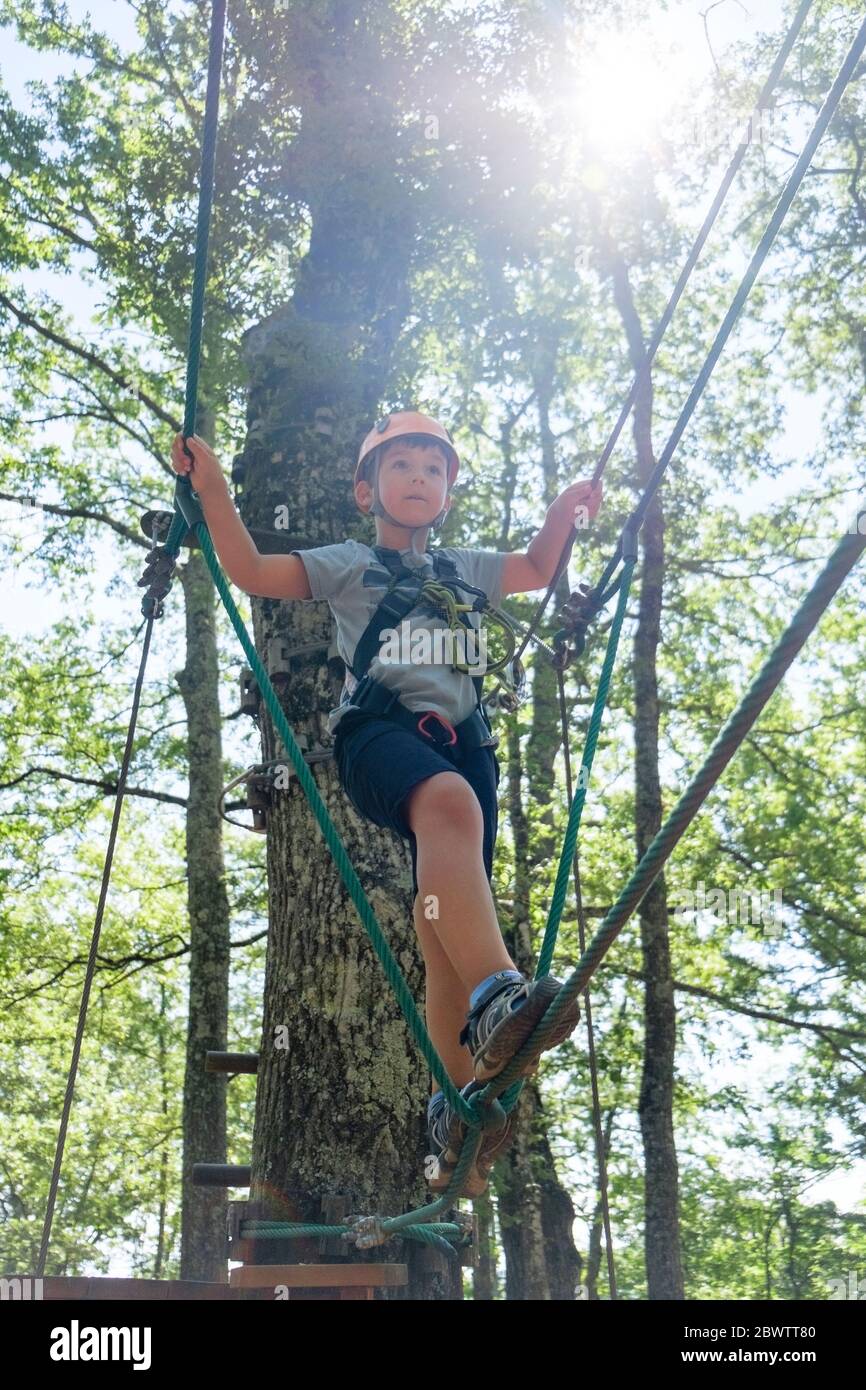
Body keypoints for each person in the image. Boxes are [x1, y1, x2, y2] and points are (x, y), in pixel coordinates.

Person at [170, 411, 602, 1196]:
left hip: (465, 747)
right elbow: (251, 570)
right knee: (445, 807)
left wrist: (566, 511)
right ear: (367, 489)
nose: (418, 480)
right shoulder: (347, 564)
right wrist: (213, 491)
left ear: (447, 492)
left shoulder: (468, 565)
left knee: (436, 926)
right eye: (402, 467)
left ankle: (455, 1108)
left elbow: (540, 566)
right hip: (378, 736)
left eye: (433, 471)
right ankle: (499, 991)